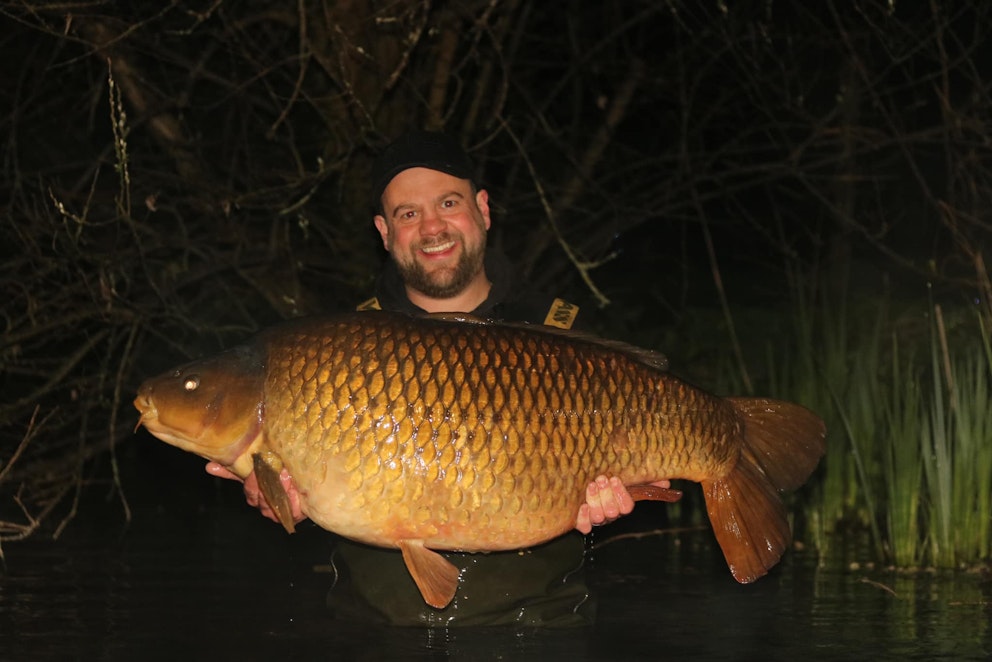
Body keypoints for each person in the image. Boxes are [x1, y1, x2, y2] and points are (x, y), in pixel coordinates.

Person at [206, 130, 670, 626]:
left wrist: (614, 494)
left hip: (537, 633)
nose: (432, 227)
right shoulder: (340, 352)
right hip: (376, 638)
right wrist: (279, 497)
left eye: (448, 202)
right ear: (384, 233)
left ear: (483, 209)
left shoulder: (561, 336)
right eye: (409, 214)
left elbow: (639, 464)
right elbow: (308, 489)